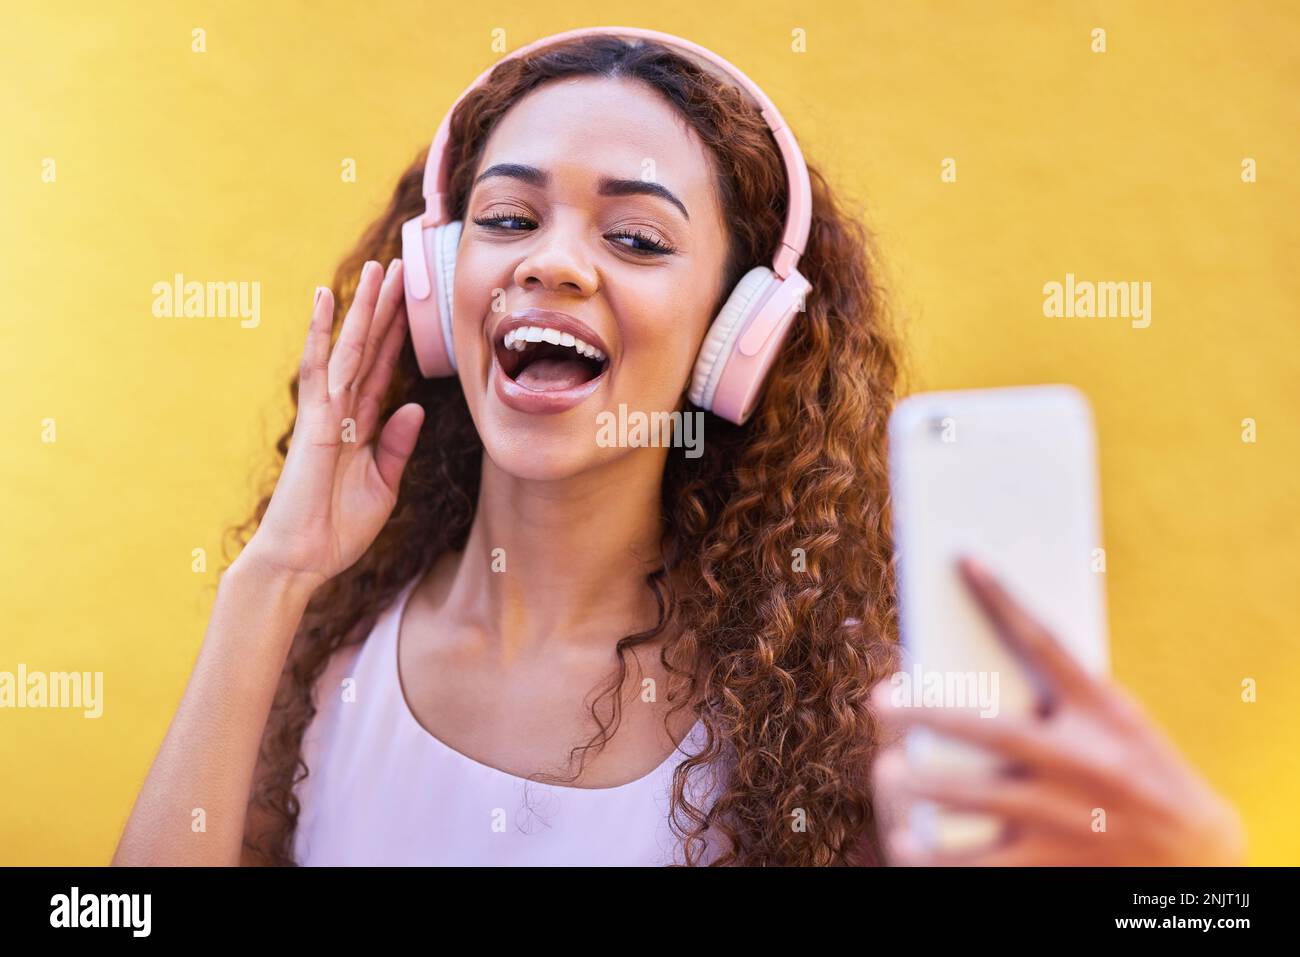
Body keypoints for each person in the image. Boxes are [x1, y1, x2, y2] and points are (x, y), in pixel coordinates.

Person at [112, 30, 1245, 867]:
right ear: (432, 288)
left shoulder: (837, 719)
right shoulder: (321, 653)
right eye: (508, 218)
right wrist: (272, 575)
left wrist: (1193, 885)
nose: (552, 262)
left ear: (734, 340)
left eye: (637, 236)